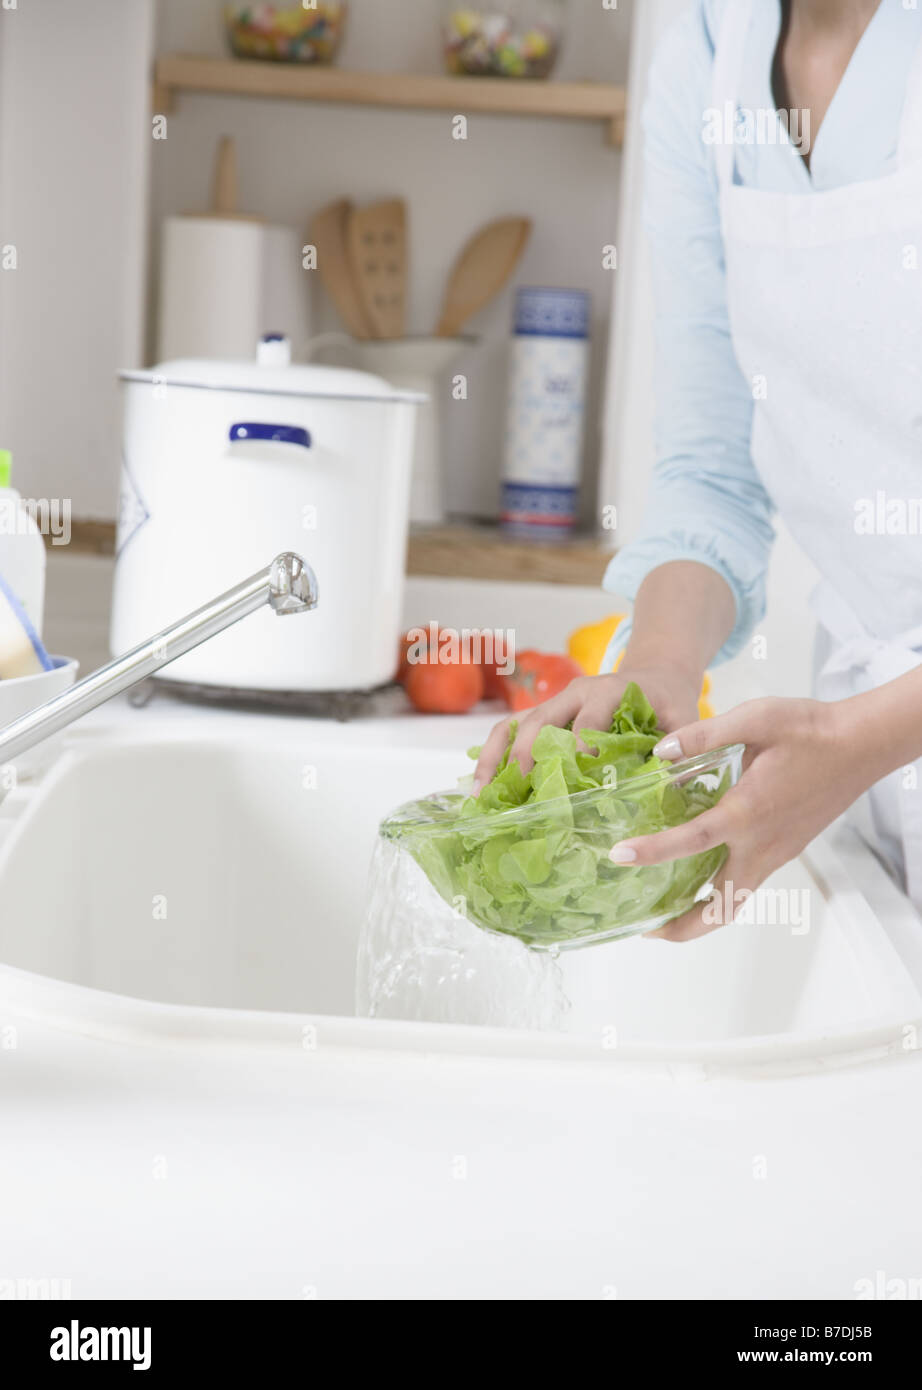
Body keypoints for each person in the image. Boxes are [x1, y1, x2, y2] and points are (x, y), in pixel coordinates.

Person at [475, 0, 922, 940]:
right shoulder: (711, 60)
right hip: (880, 779)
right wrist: (654, 674)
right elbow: (712, 469)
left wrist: (867, 739)